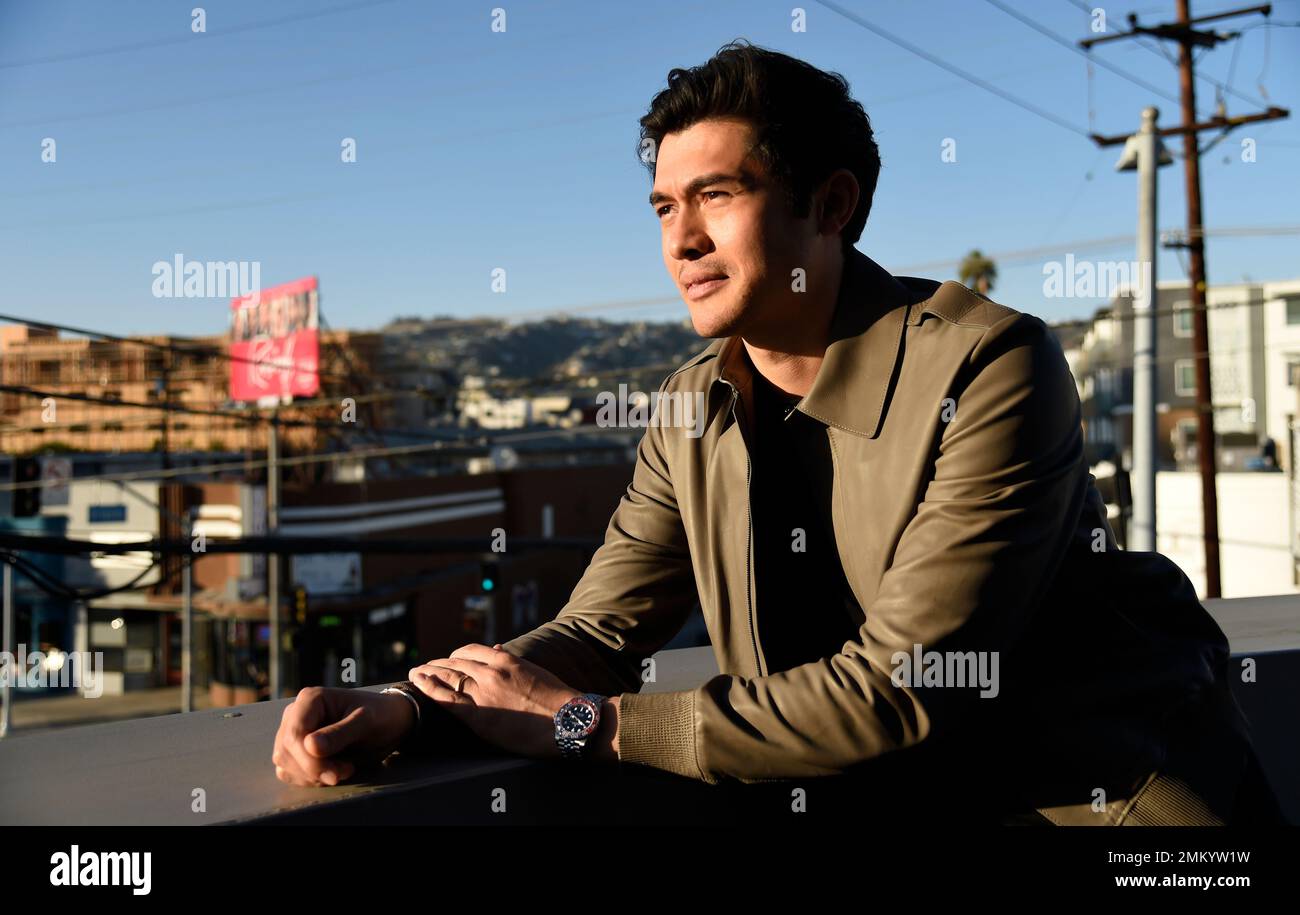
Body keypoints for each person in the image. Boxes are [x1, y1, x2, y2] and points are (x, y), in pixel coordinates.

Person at [271, 41, 1282, 825]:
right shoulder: (692, 402)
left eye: (718, 194)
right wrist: (408, 705)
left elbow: (903, 688)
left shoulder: (987, 365)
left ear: (830, 204)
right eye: (665, 204)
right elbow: (594, 633)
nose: (680, 239)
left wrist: (588, 727)